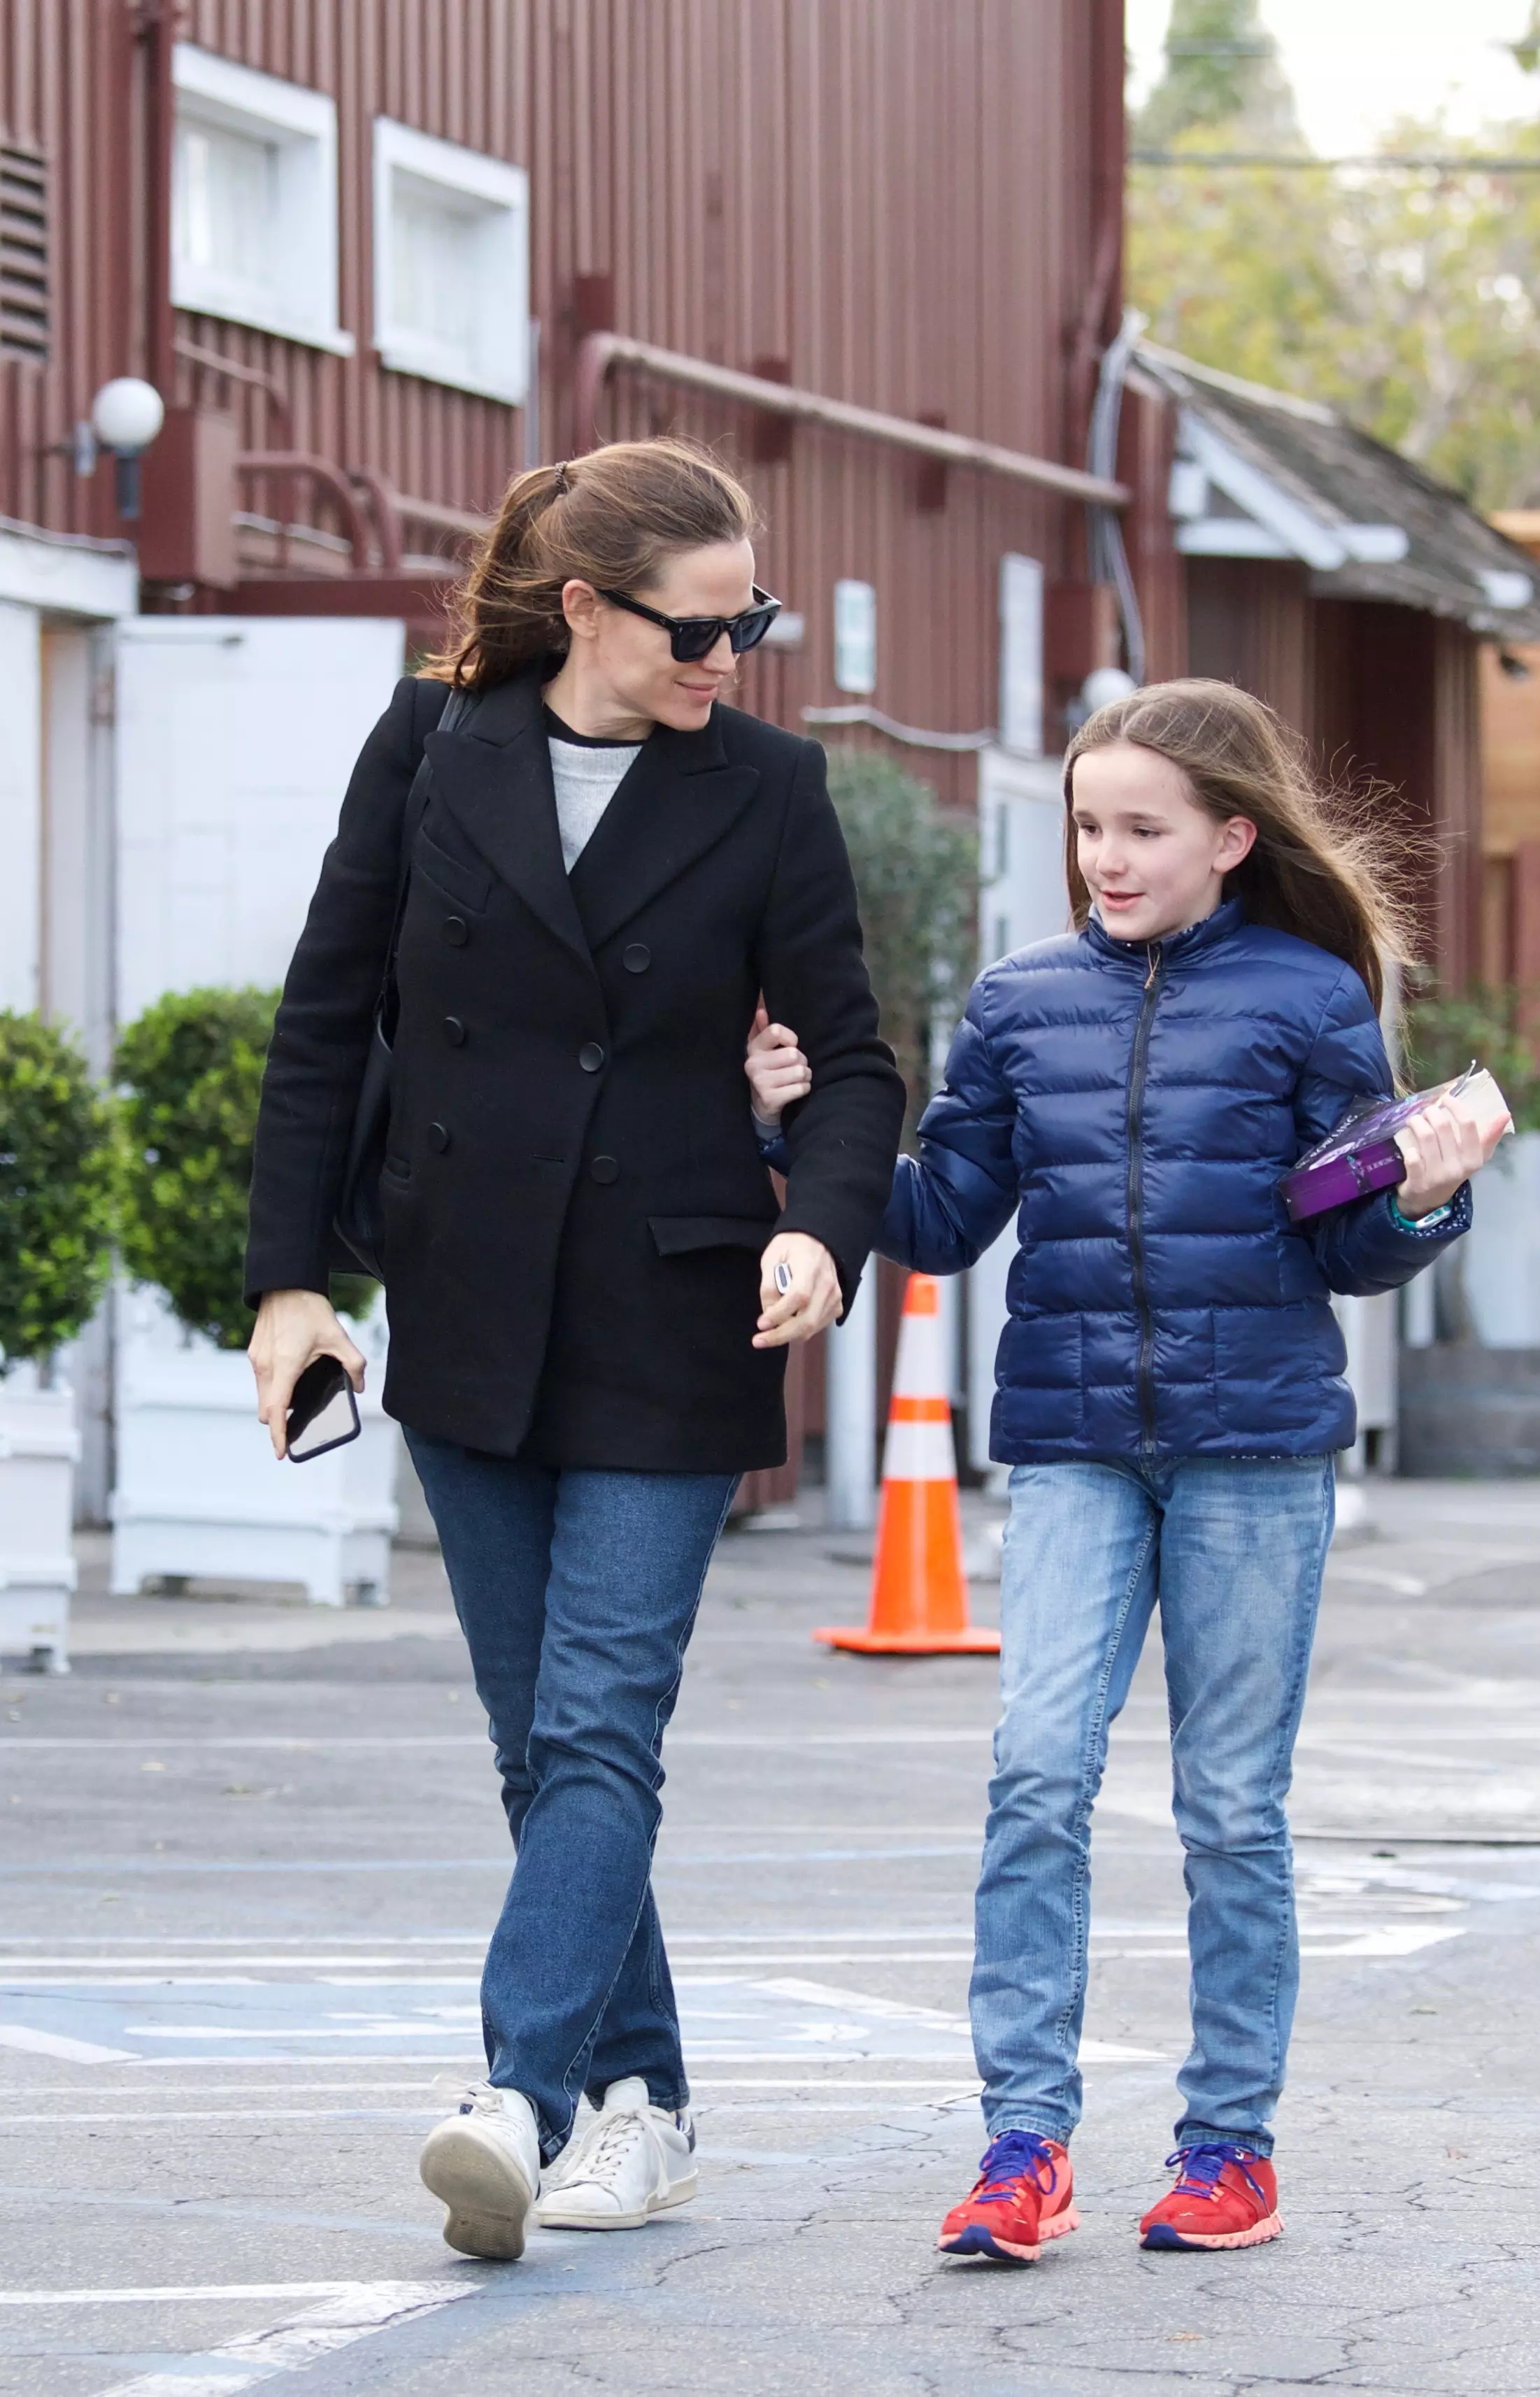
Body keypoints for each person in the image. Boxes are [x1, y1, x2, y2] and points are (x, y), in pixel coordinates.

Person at [746, 678, 1507, 2263]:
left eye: (1140, 829)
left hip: (1256, 1452)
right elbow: (944, 1216)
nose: (1105, 854)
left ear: (1231, 838)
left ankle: (1228, 2148)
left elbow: (1351, 1243)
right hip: (1077, 1446)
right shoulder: (1021, 1005)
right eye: (1088, 825)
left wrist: (1425, 1198)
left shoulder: (1309, 999)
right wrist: (800, 1129)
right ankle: (1020, 2144)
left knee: (1231, 1808)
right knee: (1034, 1775)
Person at [245, 436, 904, 2261]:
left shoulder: (765, 784)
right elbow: (324, 1013)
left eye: (749, 623)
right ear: (589, 608)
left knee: (600, 1722)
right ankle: (649, 2100)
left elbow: (849, 1060)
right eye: (703, 629)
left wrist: (819, 1231)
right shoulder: (430, 745)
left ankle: (517, 2097)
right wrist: (286, 1280)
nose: (730, 661)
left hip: (675, 1310)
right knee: (544, 1750)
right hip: (463, 1308)